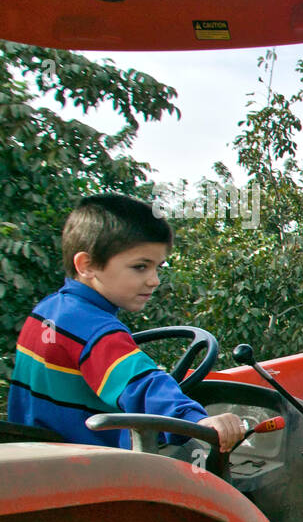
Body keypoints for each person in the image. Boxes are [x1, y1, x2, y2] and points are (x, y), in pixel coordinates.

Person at [8, 194, 242, 452]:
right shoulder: (96, 329)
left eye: (157, 267)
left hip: (37, 458)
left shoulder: (47, 312)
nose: (154, 280)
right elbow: (141, 384)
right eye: (140, 267)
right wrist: (194, 419)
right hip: (89, 473)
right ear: (87, 265)